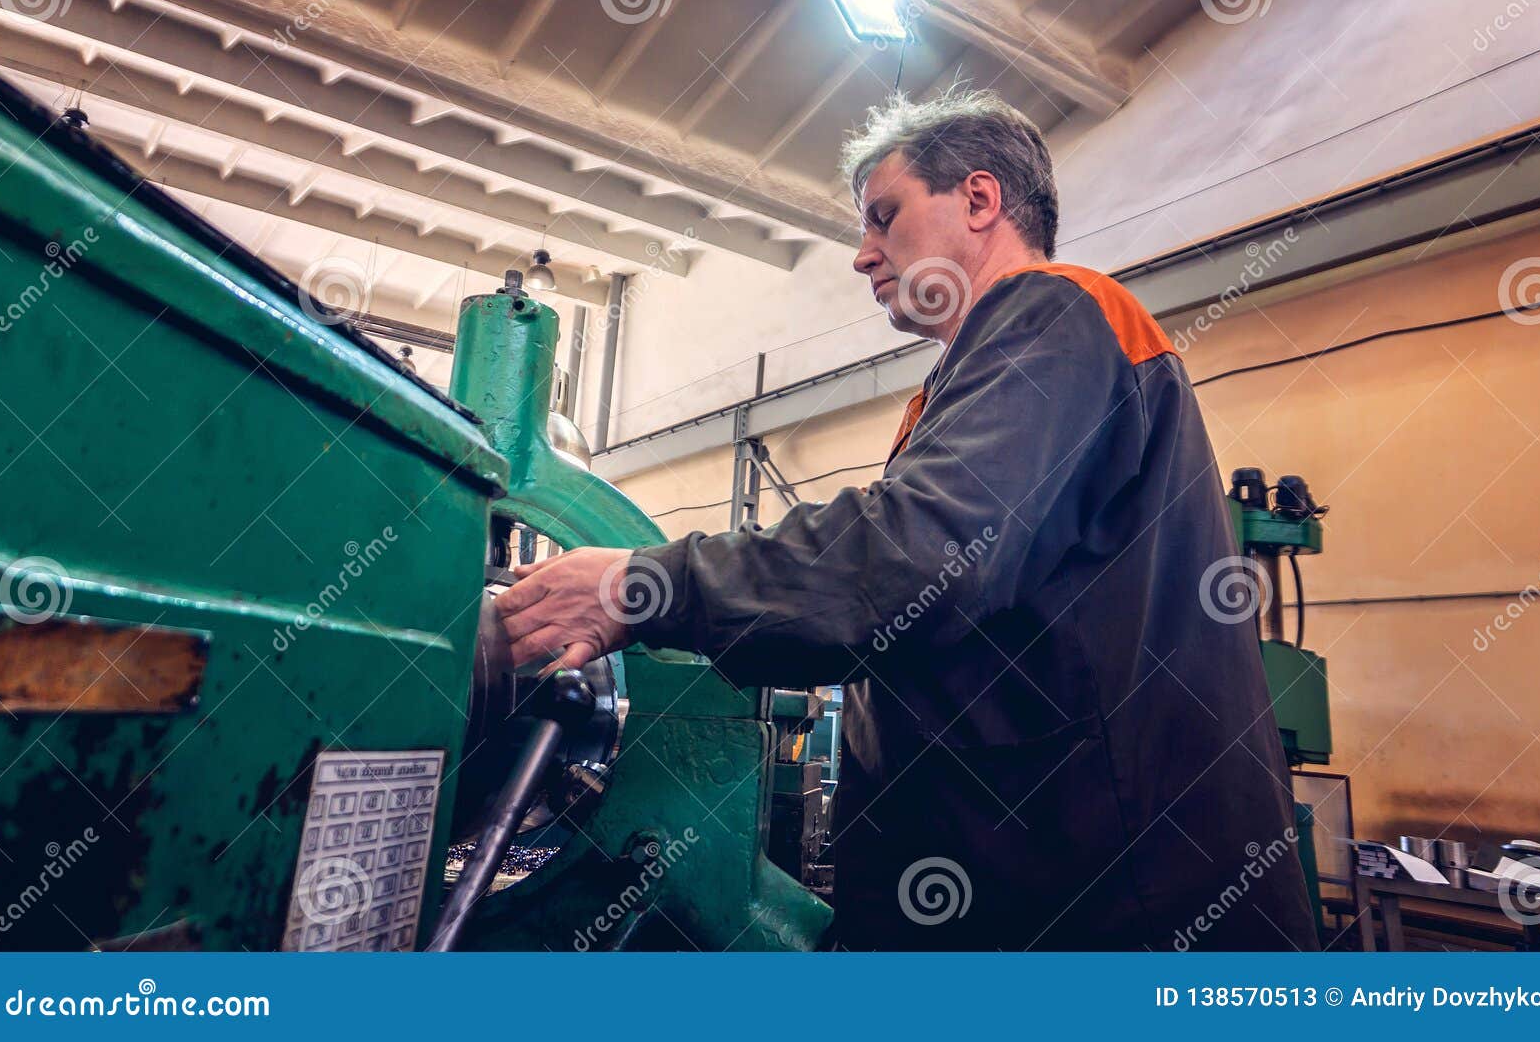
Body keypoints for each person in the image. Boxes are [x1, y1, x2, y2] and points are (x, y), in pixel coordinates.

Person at [494, 89, 1318, 951]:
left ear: (978, 198)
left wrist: (641, 584)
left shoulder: (1059, 311)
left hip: (1107, 920)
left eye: (884, 217)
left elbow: (915, 554)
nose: (862, 255)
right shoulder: (980, 374)